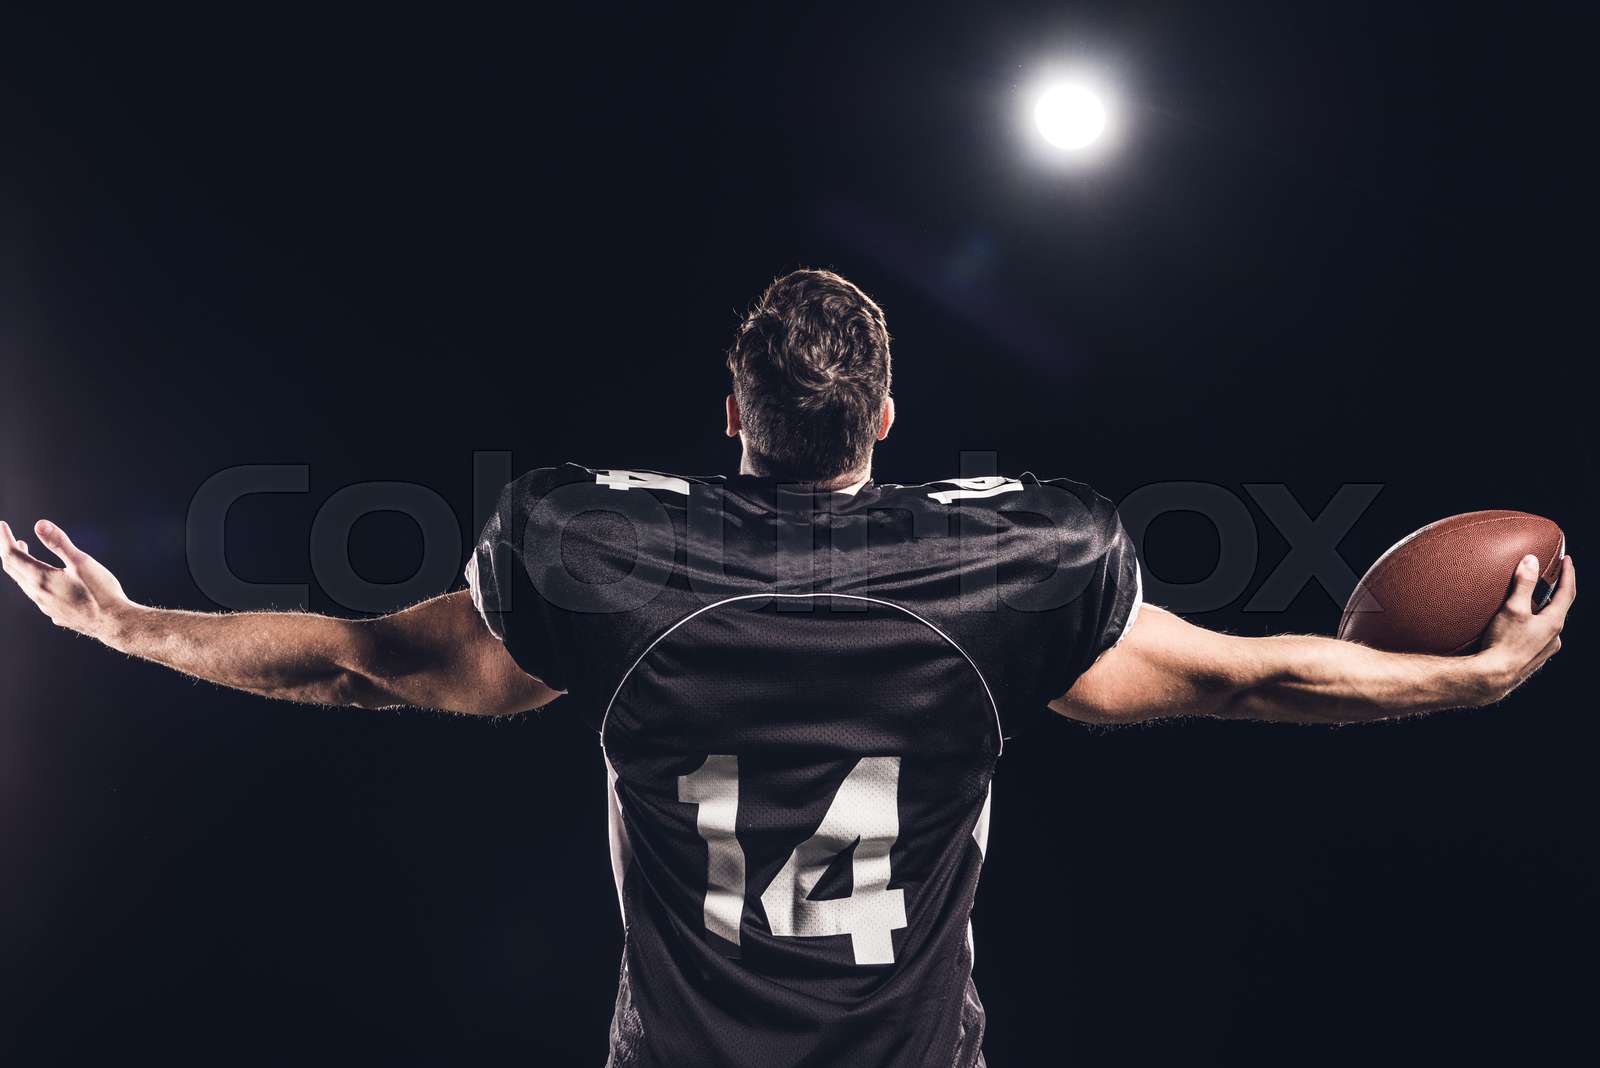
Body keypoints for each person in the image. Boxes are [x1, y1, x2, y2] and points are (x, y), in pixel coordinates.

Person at [1, 269, 1574, 1067]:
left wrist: (122, 624)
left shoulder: (595, 550)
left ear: (729, 414)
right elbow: (1246, 679)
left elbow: (356, 664)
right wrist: (1468, 682)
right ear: (887, 420)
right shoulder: (1013, 562)